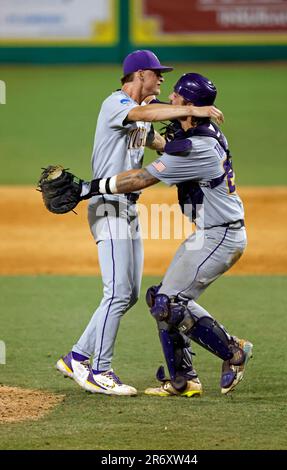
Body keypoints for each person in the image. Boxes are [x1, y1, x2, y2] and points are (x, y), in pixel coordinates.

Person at [56, 52, 224, 396]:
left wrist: (180, 150)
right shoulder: (116, 103)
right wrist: (192, 109)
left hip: (127, 209)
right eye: (157, 75)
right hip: (108, 205)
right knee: (116, 293)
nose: (162, 80)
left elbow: (153, 138)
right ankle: (98, 370)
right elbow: (143, 113)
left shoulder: (142, 114)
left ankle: (77, 356)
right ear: (140, 74)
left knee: (128, 294)